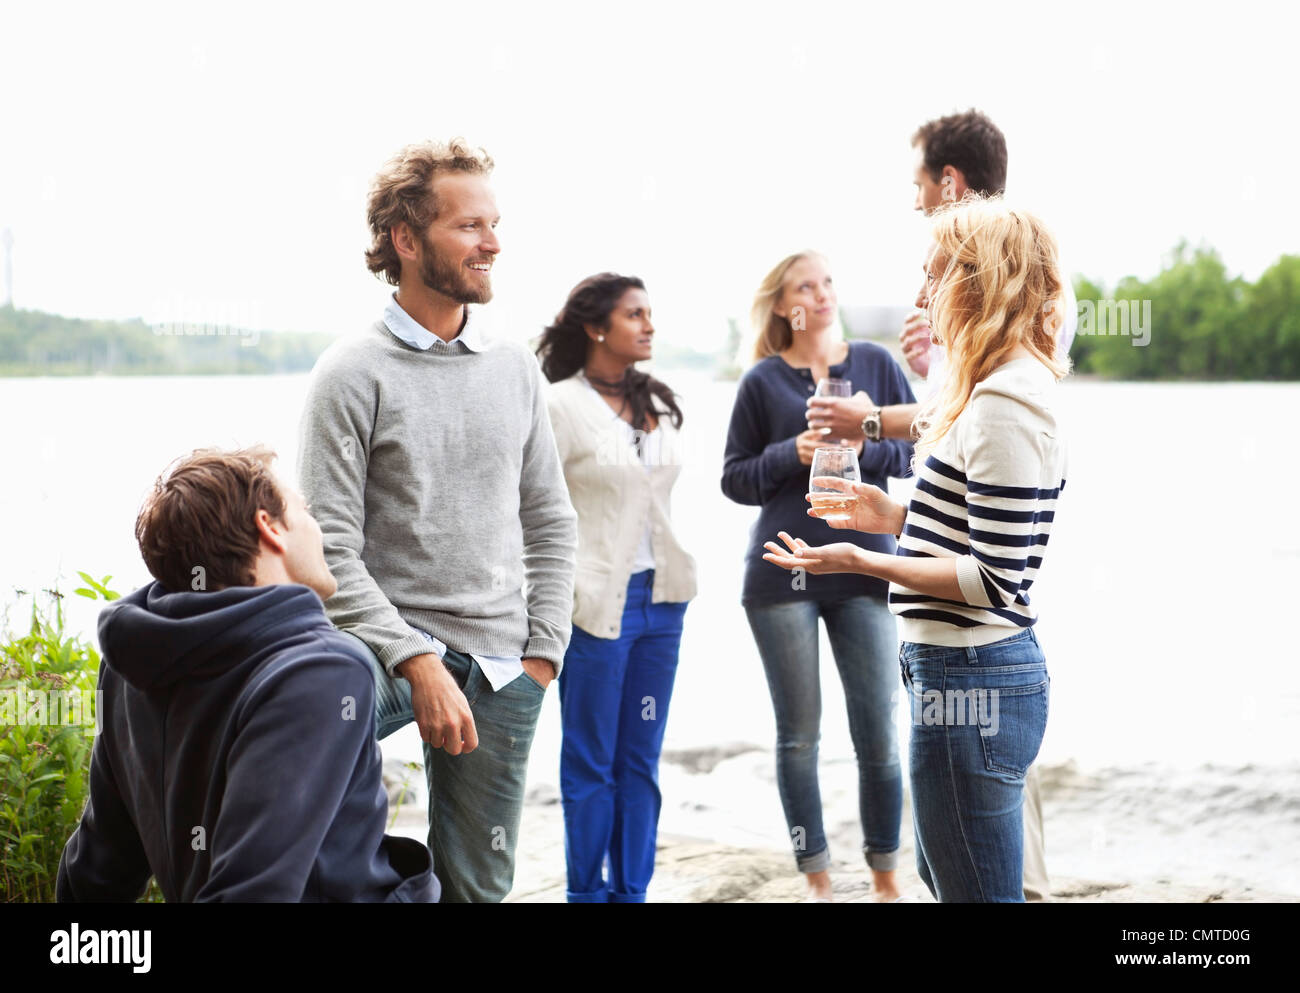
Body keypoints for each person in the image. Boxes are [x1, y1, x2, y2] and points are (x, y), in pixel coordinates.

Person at [763, 196, 1069, 902]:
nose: (923, 295)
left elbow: (995, 578)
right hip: (948, 667)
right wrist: (890, 511)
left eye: (935, 276)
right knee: (947, 874)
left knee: (975, 890)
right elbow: (972, 528)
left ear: (981, 282)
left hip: (975, 674)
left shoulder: (1005, 403)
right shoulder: (986, 390)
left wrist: (864, 558)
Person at [297, 139, 577, 903]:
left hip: (500, 665)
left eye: (494, 224)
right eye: (468, 226)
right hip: (379, 655)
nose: (492, 243)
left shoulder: (514, 365)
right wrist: (416, 661)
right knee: (306, 776)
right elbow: (328, 554)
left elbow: (550, 518)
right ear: (407, 239)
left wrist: (542, 653)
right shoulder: (351, 373)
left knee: (479, 886)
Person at [57, 447, 439, 902]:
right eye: (306, 512)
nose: (318, 529)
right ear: (269, 527)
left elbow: (99, 871)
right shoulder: (318, 671)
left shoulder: (132, 667)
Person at [720, 251, 916, 902]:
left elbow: (916, 448)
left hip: (867, 565)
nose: (822, 294)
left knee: (880, 732)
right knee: (799, 735)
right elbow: (735, 477)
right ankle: (819, 880)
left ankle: (887, 877)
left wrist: (865, 443)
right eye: (806, 285)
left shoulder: (877, 365)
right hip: (783, 569)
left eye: (828, 281)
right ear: (782, 304)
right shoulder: (763, 382)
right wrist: (789, 453)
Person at [536, 273, 697, 903]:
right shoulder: (560, 406)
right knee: (590, 764)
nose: (649, 325)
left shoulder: (653, 400)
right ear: (596, 327)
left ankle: (631, 893)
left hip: (664, 600)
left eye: (650, 313)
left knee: (641, 763)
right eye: (635, 314)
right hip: (595, 607)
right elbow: (533, 509)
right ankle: (586, 894)